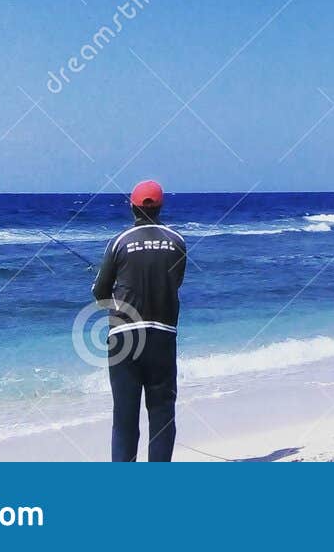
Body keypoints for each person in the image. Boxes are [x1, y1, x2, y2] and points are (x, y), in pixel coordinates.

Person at [92, 180, 187, 461]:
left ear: (132, 207)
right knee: (161, 411)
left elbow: (100, 292)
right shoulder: (177, 241)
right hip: (162, 335)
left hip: (124, 337)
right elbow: (175, 282)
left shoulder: (119, 242)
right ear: (160, 207)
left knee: (125, 414)